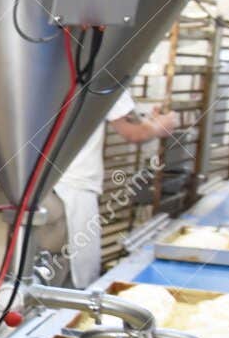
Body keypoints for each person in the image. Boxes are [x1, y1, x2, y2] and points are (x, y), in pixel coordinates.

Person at [51, 90, 180, 287]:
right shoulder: (107, 74)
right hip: (74, 189)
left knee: (40, 269)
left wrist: (149, 121)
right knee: (72, 277)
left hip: (42, 187)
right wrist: (162, 126)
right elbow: (135, 132)